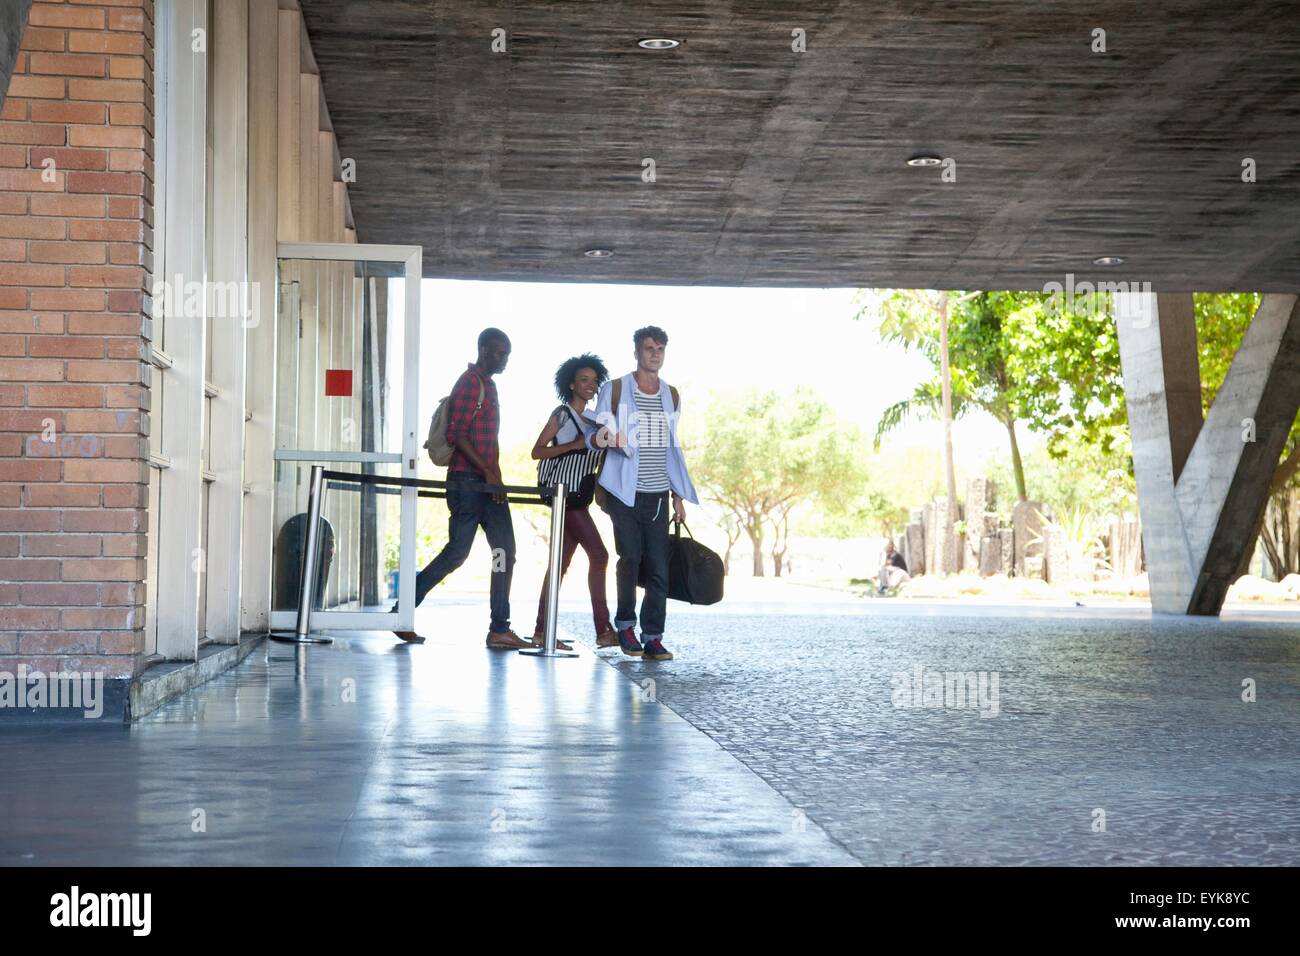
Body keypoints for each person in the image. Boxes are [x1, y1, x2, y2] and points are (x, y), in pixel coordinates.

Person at [393, 328, 528, 649]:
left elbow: (486, 442)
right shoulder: (470, 383)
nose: (504, 359)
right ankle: (401, 612)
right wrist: (487, 474)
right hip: (469, 483)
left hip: (487, 484)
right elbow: (457, 434)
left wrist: (495, 477)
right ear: (483, 350)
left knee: (503, 552)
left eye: (507, 354)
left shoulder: (489, 385)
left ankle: (499, 628)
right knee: (457, 553)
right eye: (498, 353)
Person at [589, 326, 699, 661]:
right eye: (649, 348)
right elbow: (596, 432)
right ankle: (625, 625)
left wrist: (678, 496)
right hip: (624, 492)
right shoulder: (617, 389)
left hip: (657, 495)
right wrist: (613, 437)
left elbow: (671, 447)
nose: (655, 354)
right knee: (630, 559)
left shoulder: (671, 395)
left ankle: (653, 636)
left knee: (658, 568)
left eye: (660, 348)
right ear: (636, 351)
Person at [529, 354, 618, 652]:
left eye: (594, 381)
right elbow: (537, 451)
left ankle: (541, 631)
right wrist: (573, 445)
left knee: (559, 564)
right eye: (584, 380)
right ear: (571, 384)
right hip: (564, 495)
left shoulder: (595, 420)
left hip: (580, 496)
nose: (590, 385)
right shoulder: (563, 414)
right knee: (600, 555)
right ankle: (603, 630)